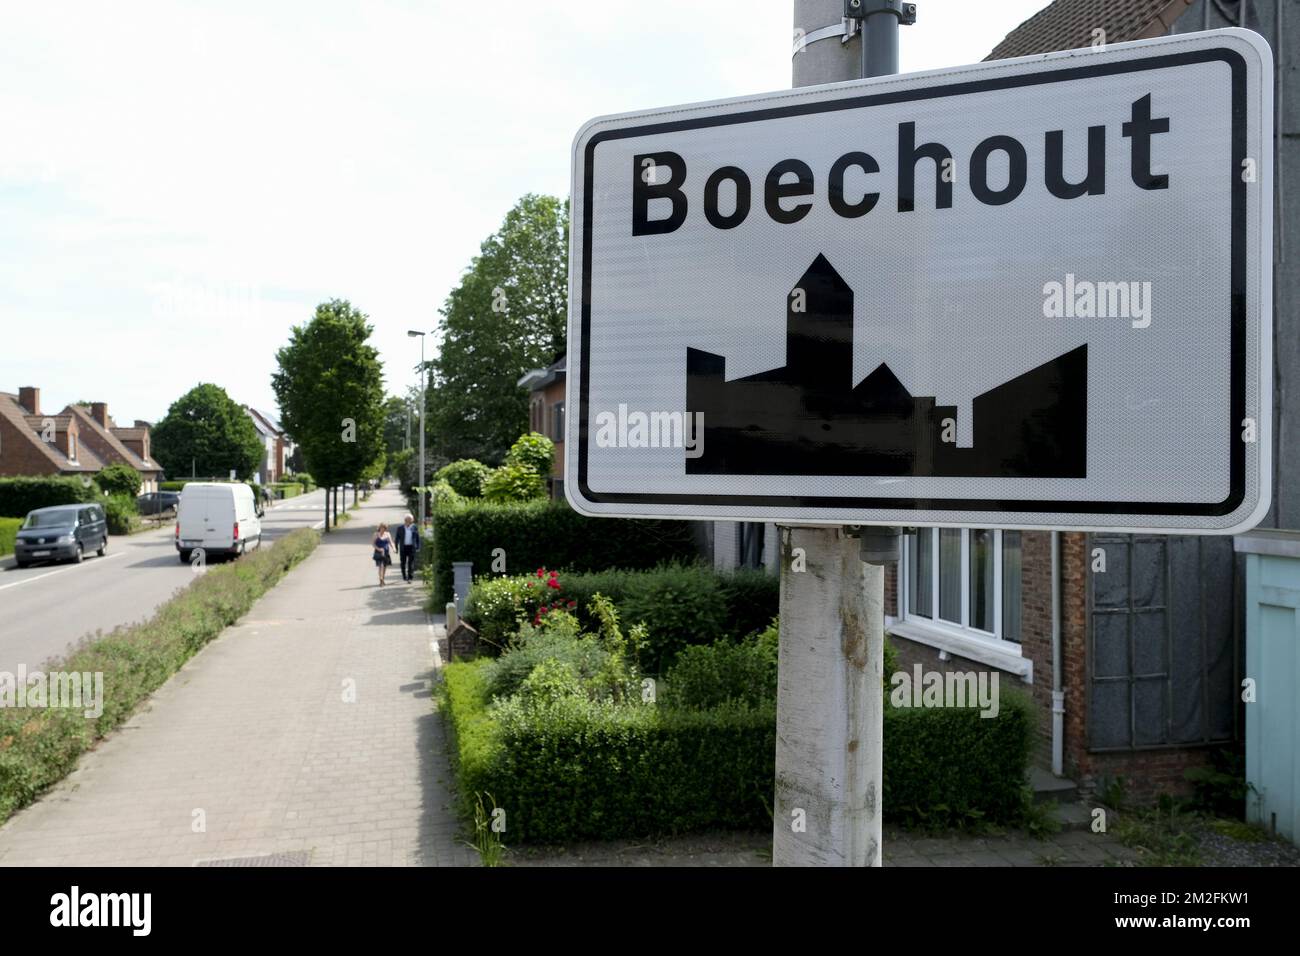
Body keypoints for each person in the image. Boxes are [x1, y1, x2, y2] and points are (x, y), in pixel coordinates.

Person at [397, 512, 421, 583]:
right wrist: (396, 547)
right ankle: (404, 576)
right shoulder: (400, 528)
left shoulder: (414, 527)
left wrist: (418, 547)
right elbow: (397, 538)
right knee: (403, 563)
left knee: (411, 563)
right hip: (403, 548)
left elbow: (417, 538)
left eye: (411, 519)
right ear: (405, 520)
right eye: (408, 519)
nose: (410, 521)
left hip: (411, 547)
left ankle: (410, 577)